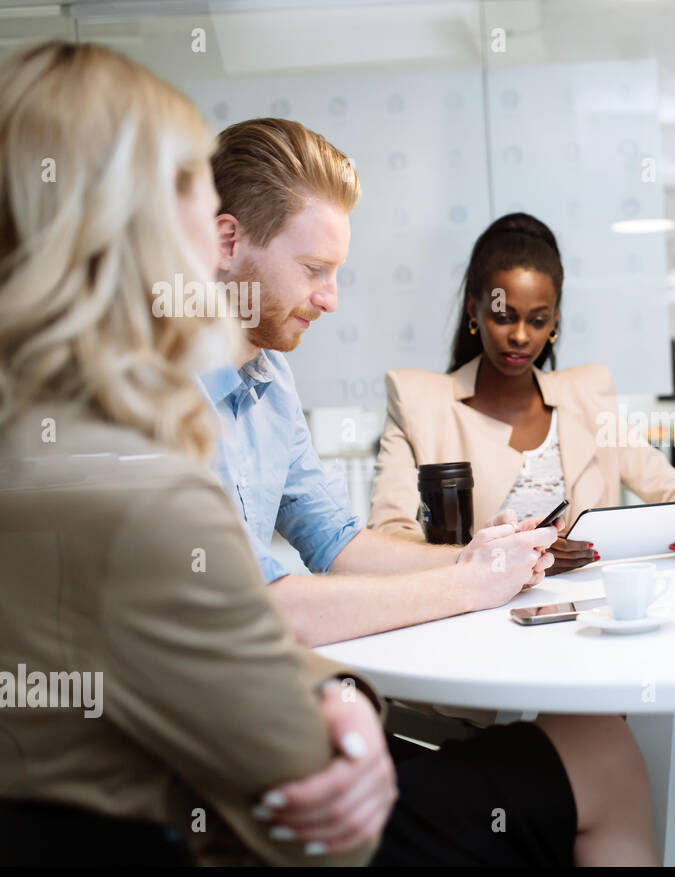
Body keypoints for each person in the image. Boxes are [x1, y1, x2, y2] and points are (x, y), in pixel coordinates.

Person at [0, 41, 657, 868]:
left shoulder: (245, 389)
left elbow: (324, 546)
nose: (331, 298)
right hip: (196, 817)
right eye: (315, 268)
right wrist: (449, 593)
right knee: (602, 757)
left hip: (166, 782)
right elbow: (252, 619)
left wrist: (459, 575)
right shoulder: (138, 454)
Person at [368, 212, 675, 821]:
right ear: (475, 310)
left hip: (591, 645)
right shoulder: (423, 403)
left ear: (556, 321)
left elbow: (674, 492)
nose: (519, 337)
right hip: (483, 647)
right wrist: (506, 558)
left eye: (538, 320)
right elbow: (388, 536)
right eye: (504, 316)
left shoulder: (585, 398)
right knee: (623, 784)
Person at [202, 118, 555, 649]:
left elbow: (337, 542)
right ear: (228, 241)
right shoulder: (153, 392)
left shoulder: (272, 381)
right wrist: (467, 584)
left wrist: (478, 557)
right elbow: (255, 608)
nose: (330, 298)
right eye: (313, 269)